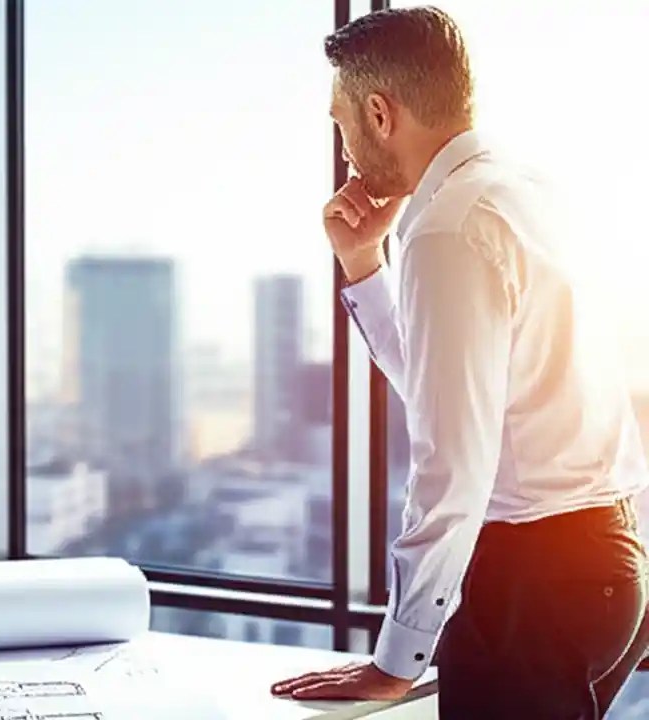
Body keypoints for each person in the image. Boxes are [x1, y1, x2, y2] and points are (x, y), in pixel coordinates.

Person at [269, 6, 649, 717]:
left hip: (533, 591)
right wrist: (363, 264)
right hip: (607, 564)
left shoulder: (449, 229)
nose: (343, 142)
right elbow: (459, 392)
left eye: (341, 118)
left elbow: (452, 468)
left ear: (380, 113)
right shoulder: (528, 191)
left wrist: (397, 659)